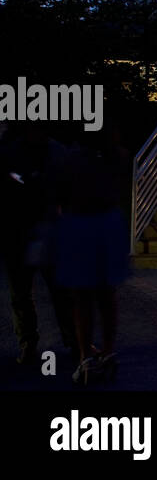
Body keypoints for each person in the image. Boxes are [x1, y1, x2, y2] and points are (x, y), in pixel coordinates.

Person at [53, 123, 131, 385]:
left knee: (82, 297)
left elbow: (59, 193)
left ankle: (87, 356)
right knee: (106, 295)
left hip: (79, 224)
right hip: (108, 222)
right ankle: (107, 352)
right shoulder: (117, 157)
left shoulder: (71, 158)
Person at [0, 124, 77, 368]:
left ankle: (70, 340)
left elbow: (68, 189)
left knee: (55, 291)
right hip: (20, 231)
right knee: (23, 294)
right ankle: (31, 343)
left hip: (44, 228)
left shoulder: (55, 152)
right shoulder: (13, 152)